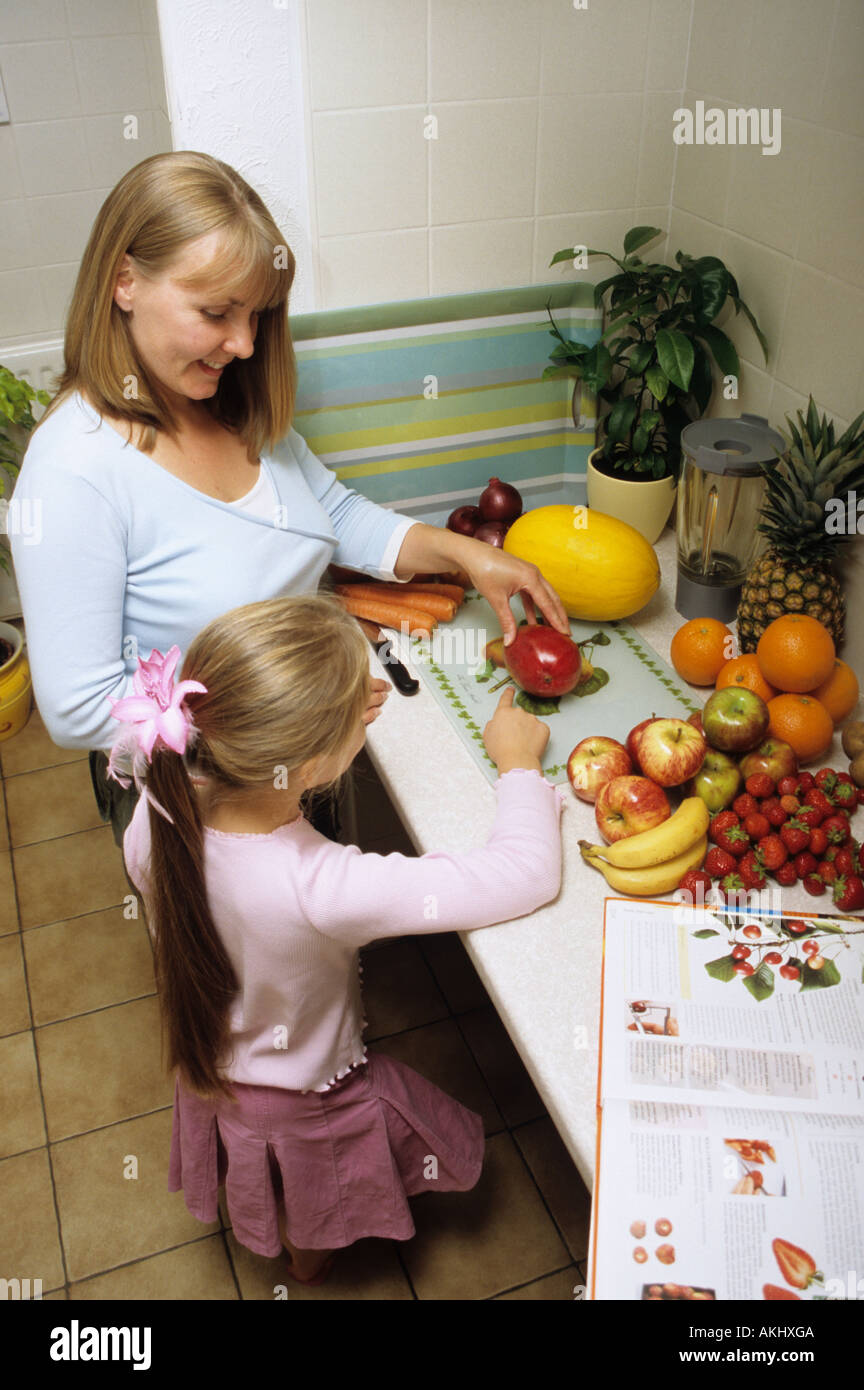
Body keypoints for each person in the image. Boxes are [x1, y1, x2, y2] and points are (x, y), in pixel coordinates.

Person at [9, 151, 570, 852]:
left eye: (257, 315)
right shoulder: (75, 470)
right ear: (124, 281)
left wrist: (460, 554)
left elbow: (333, 516)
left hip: (300, 757)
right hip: (199, 805)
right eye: (216, 313)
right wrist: (298, 710)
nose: (243, 344)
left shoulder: (227, 404)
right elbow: (79, 709)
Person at [112, 591, 565, 1284]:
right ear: (317, 766)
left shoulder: (157, 804)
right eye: (360, 708)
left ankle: (296, 1245)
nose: (371, 704)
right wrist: (519, 765)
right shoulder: (325, 889)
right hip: (302, 1097)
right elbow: (525, 873)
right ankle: (310, 1253)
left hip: (209, 1065)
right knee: (312, 1200)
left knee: (265, 1170)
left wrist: (326, 724)